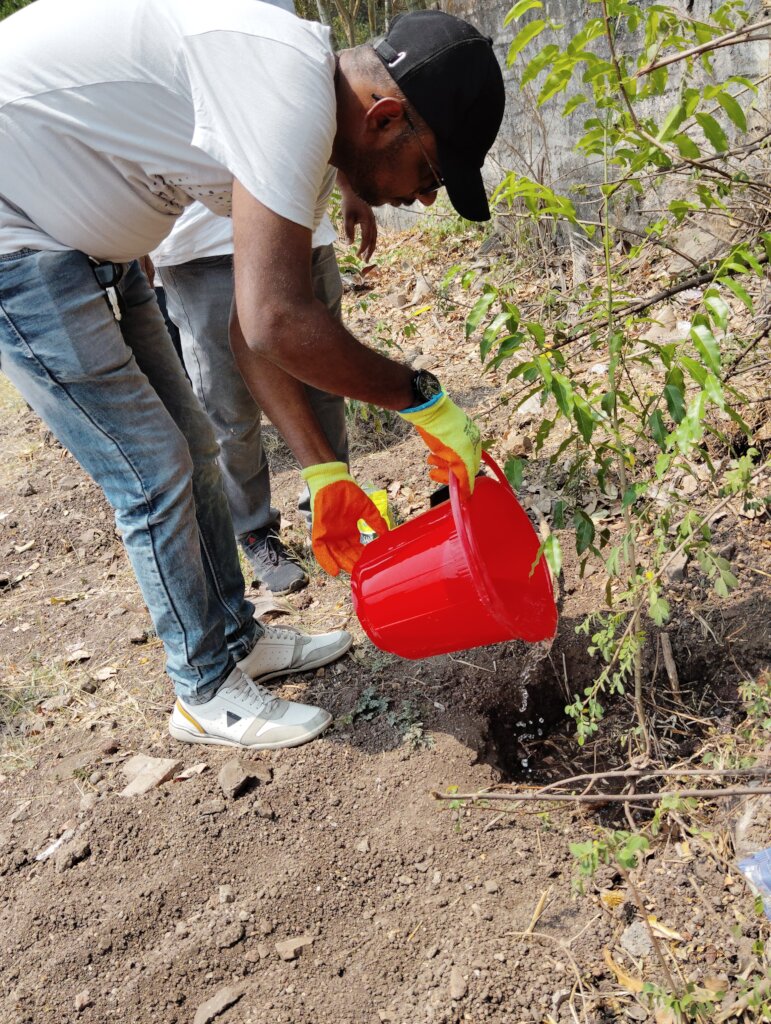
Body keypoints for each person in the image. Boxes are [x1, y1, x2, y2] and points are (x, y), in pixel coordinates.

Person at [0, 0, 505, 751]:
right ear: (386, 116)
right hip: (21, 244)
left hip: (83, 244)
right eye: (429, 170)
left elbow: (249, 330)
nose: (423, 198)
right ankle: (202, 688)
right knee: (152, 471)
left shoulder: (300, 115)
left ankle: (236, 639)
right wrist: (421, 400)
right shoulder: (284, 85)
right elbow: (277, 320)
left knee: (193, 446)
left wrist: (326, 470)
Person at [149, 174, 375, 596]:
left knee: (324, 381)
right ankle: (254, 530)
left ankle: (331, 510)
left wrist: (350, 186)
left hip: (295, 230)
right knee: (228, 405)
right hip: (199, 250)